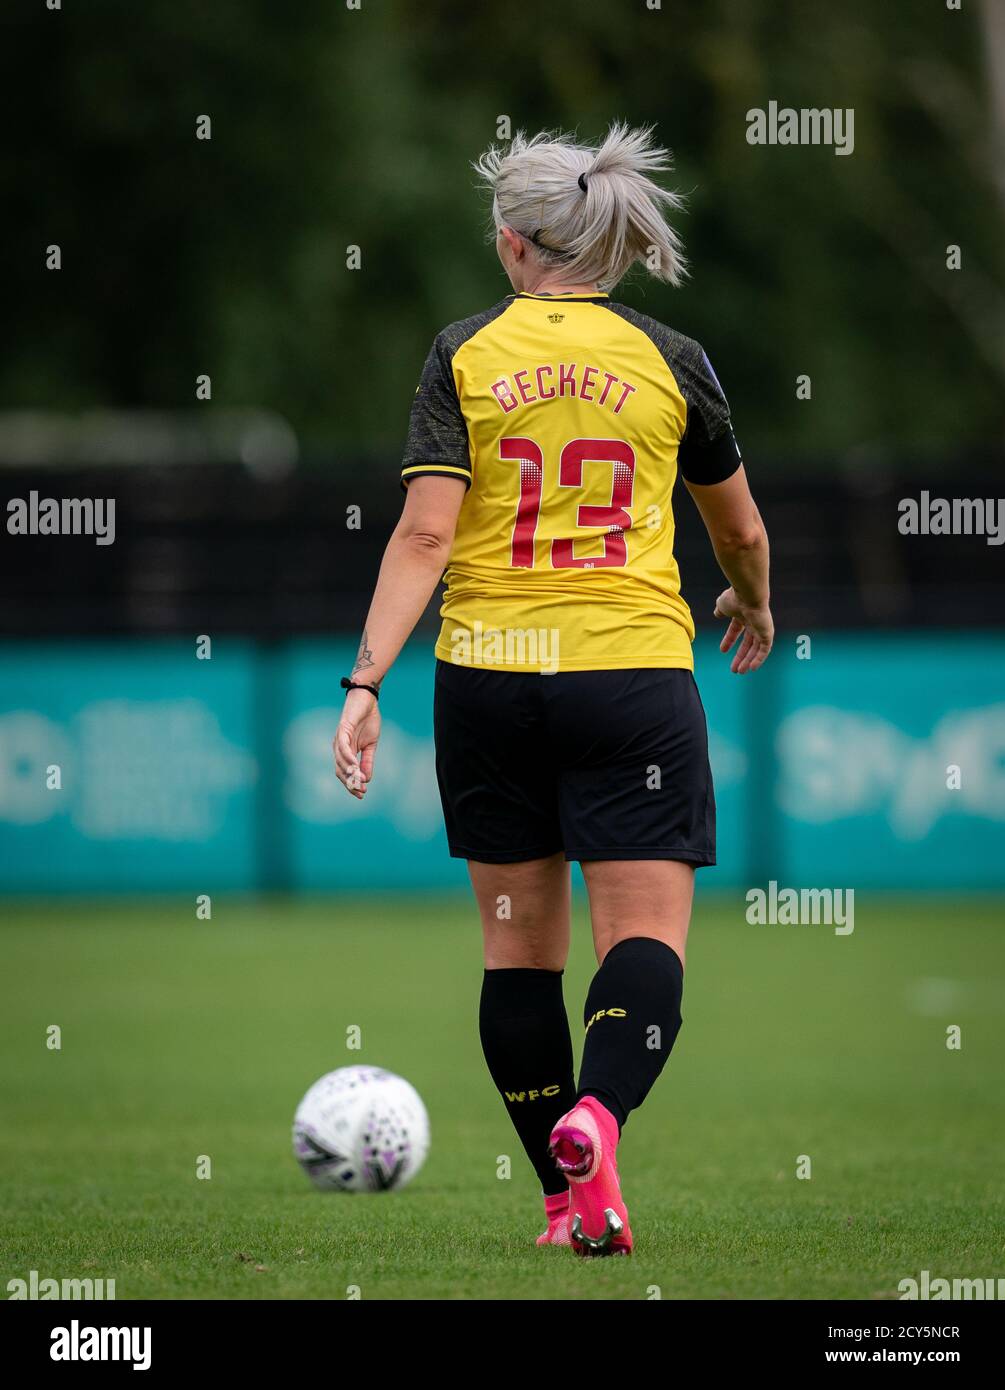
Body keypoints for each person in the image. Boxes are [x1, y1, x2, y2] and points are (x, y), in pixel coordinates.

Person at [334, 124, 773, 1256]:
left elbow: (426, 534)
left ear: (512, 241)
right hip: (628, 674)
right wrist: (752, 601)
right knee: (645, 937)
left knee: (515, 953)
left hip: (486, 679)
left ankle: (559, 1200)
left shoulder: (462, 351)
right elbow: (738, 530)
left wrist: (366, 676)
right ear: (606, 241)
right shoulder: (672, 357)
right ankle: (598, 1114)